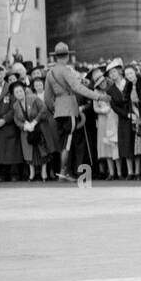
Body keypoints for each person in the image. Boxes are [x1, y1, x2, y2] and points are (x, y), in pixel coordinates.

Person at [44, 42, 108, 181]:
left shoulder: (50, 73)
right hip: (69, 108)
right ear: (67, 56)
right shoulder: (66, 70)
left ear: (55, 56)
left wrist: (55, 108)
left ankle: (65, 171)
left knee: (64, 143)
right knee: (68, 143)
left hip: (59, 110)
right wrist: (99, 96)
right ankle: (63, 173)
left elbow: (47, 98)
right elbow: (78, 88)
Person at [0, 64, 23, 181]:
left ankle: (14, 174)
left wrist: (4, 120)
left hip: (8, 124)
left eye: (1, 74)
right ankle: (2, 174)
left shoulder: (10, 89)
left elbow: (14, 107)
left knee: (12, 150)